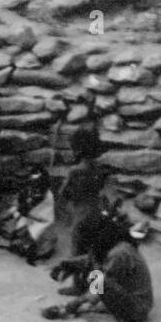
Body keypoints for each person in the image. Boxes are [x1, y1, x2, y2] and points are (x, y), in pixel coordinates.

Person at [44, 210, 153, 322]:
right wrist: (65, 263)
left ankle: (124, 319)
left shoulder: (119, 253)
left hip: (138, 309)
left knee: (99, 279)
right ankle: (110, 305)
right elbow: (89, 259)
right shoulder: (112, 245)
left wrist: (76, 303)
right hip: (129, 297)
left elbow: (99, 285)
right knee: (95, 268)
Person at [55, 124, 109, 295]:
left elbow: (64, 193)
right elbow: (100, 188)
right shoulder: (98, 170)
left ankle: (78, 286)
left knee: (77, 251)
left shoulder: (74, 172)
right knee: (95, 253)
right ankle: (96, 288)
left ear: (78, 150)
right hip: (97, 213)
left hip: (81, 216)